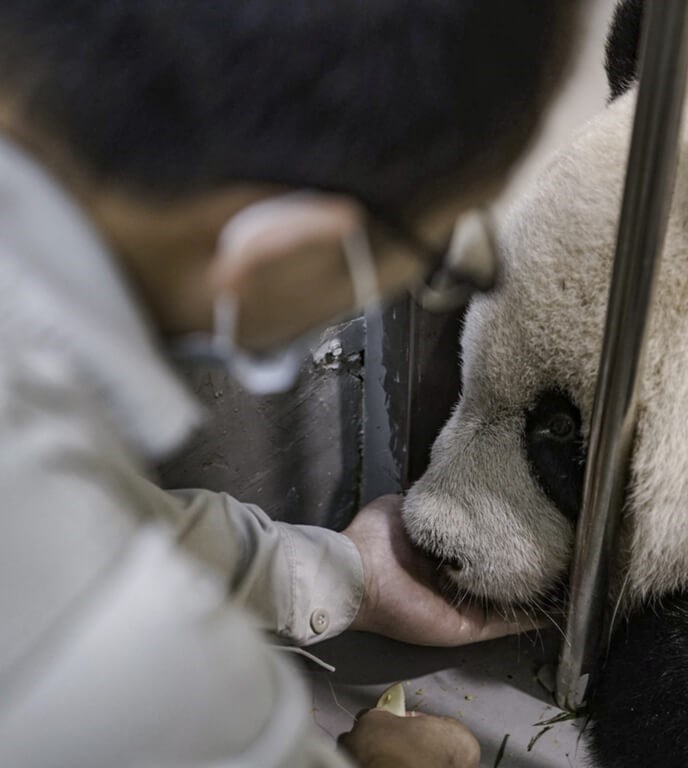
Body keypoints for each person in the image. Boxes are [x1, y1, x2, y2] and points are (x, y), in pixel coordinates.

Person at [0, 3, 582, 766]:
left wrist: (346, 577)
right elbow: (91, 587)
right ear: (276, 250)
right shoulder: (119, 648)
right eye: (436, 243)